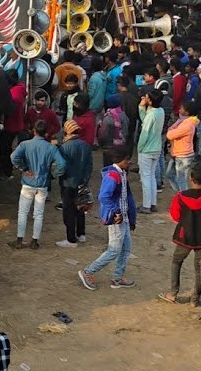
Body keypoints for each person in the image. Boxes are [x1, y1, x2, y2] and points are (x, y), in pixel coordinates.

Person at [161, 166, 201, 307]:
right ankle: (195, 299)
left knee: (177, 262)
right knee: (200, 267)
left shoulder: (180, 197)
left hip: (185, 236)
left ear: (191, 179)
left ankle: (173, 292)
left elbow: (175, 216)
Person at [78, 146, 136, 290]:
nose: (129, 162)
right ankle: (88, 272)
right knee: (114, 250)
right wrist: (116, 212)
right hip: (117, 218)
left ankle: (118, 277)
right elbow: (103, 196)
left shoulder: (121, 173)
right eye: (127, 159)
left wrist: (131, 217)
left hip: (123, 217)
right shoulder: (113, 176)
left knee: (126, 248)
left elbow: (126, 197)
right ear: (121, 160)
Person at [9, 120, 65, 250]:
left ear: (33, 130)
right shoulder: (51, 148)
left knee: (22, 212)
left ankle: (19, 240)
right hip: (43, 184)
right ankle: (34, 241)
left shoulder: (25, 144)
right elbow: (62, 164)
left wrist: (23, 168)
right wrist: (53, 175)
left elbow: (13, 157)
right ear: (46, 133)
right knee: (38, 214)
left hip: (28, 183)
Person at [56, 121, 92, 248]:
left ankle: (71, 239)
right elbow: (89, 166)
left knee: (69, 210)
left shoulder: (64, 147)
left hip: (67, 183)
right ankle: (81, 234)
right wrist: (85, 180)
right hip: (82, 182)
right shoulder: (86, 146)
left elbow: (61, 167)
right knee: (80, 208)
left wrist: (57, 175)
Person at [165, 102, 198, 192]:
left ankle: (183, 197)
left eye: (181, 109)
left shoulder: (187, 124)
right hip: (178, 153)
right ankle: (180, 195)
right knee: (170, 175)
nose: (179, 110)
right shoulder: (184, 121)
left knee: (181, 179)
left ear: (187, 113)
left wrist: (172, 129)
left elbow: (169, 135)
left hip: (183, 155)